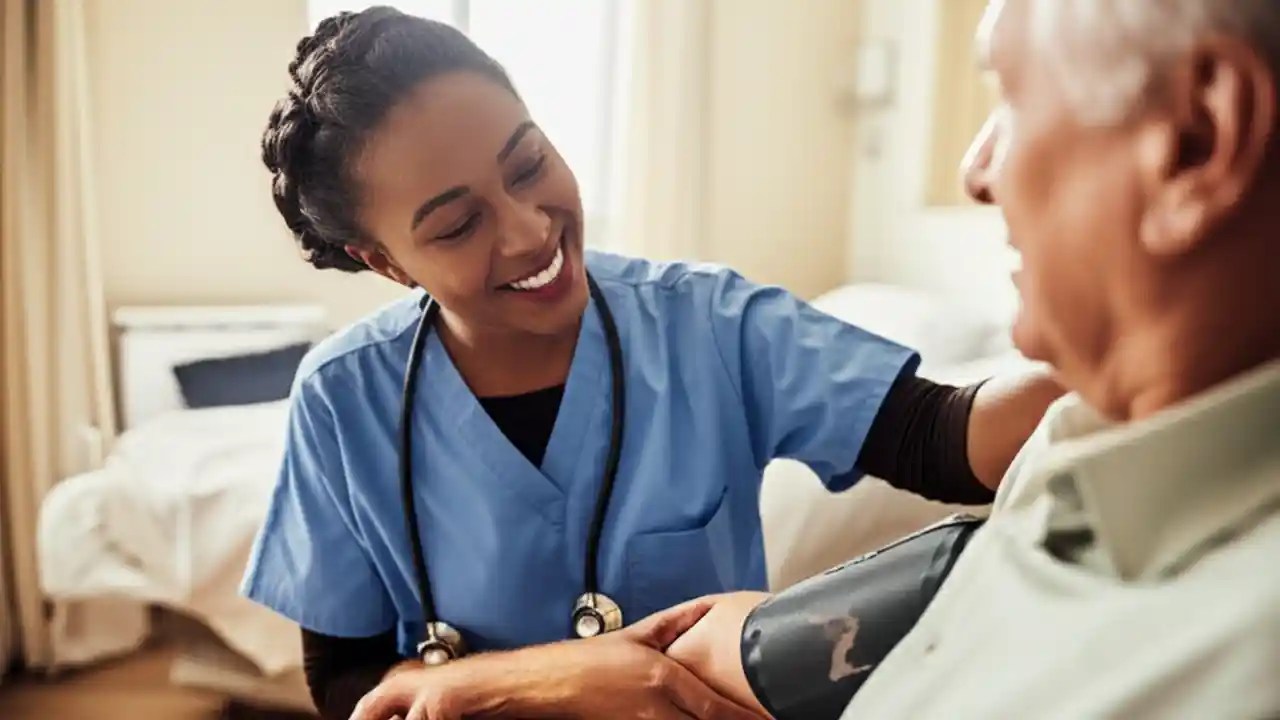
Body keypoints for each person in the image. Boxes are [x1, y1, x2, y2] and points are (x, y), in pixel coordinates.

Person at [239, 7, 1066, 720]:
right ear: (384, 262)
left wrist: (1127, 348)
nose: (530, 232)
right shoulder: (342, 398)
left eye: (529, 165)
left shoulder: (707, 323)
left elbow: (944, 435)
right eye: (457, 226)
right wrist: (549, 679)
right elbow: (346, 685)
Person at [661, 0, 1280, 717]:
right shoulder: (1071, 441)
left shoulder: (1238, 661)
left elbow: (929, 432)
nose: (976, 172)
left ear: (1197, 140)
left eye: (1008, 95)